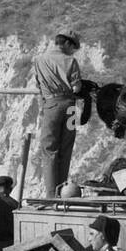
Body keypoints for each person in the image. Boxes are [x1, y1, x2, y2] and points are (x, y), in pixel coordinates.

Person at [33, 30, 84, 197]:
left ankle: (51, 195)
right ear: (67, 43)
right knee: (66, 147)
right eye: (73, 48)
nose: (73, 51)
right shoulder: (71, 61)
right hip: (71, 107)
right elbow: (76, 88)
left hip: (52, 106)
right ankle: (62, 191)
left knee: (49, 150)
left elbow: (39, 85)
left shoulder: (40, 60)